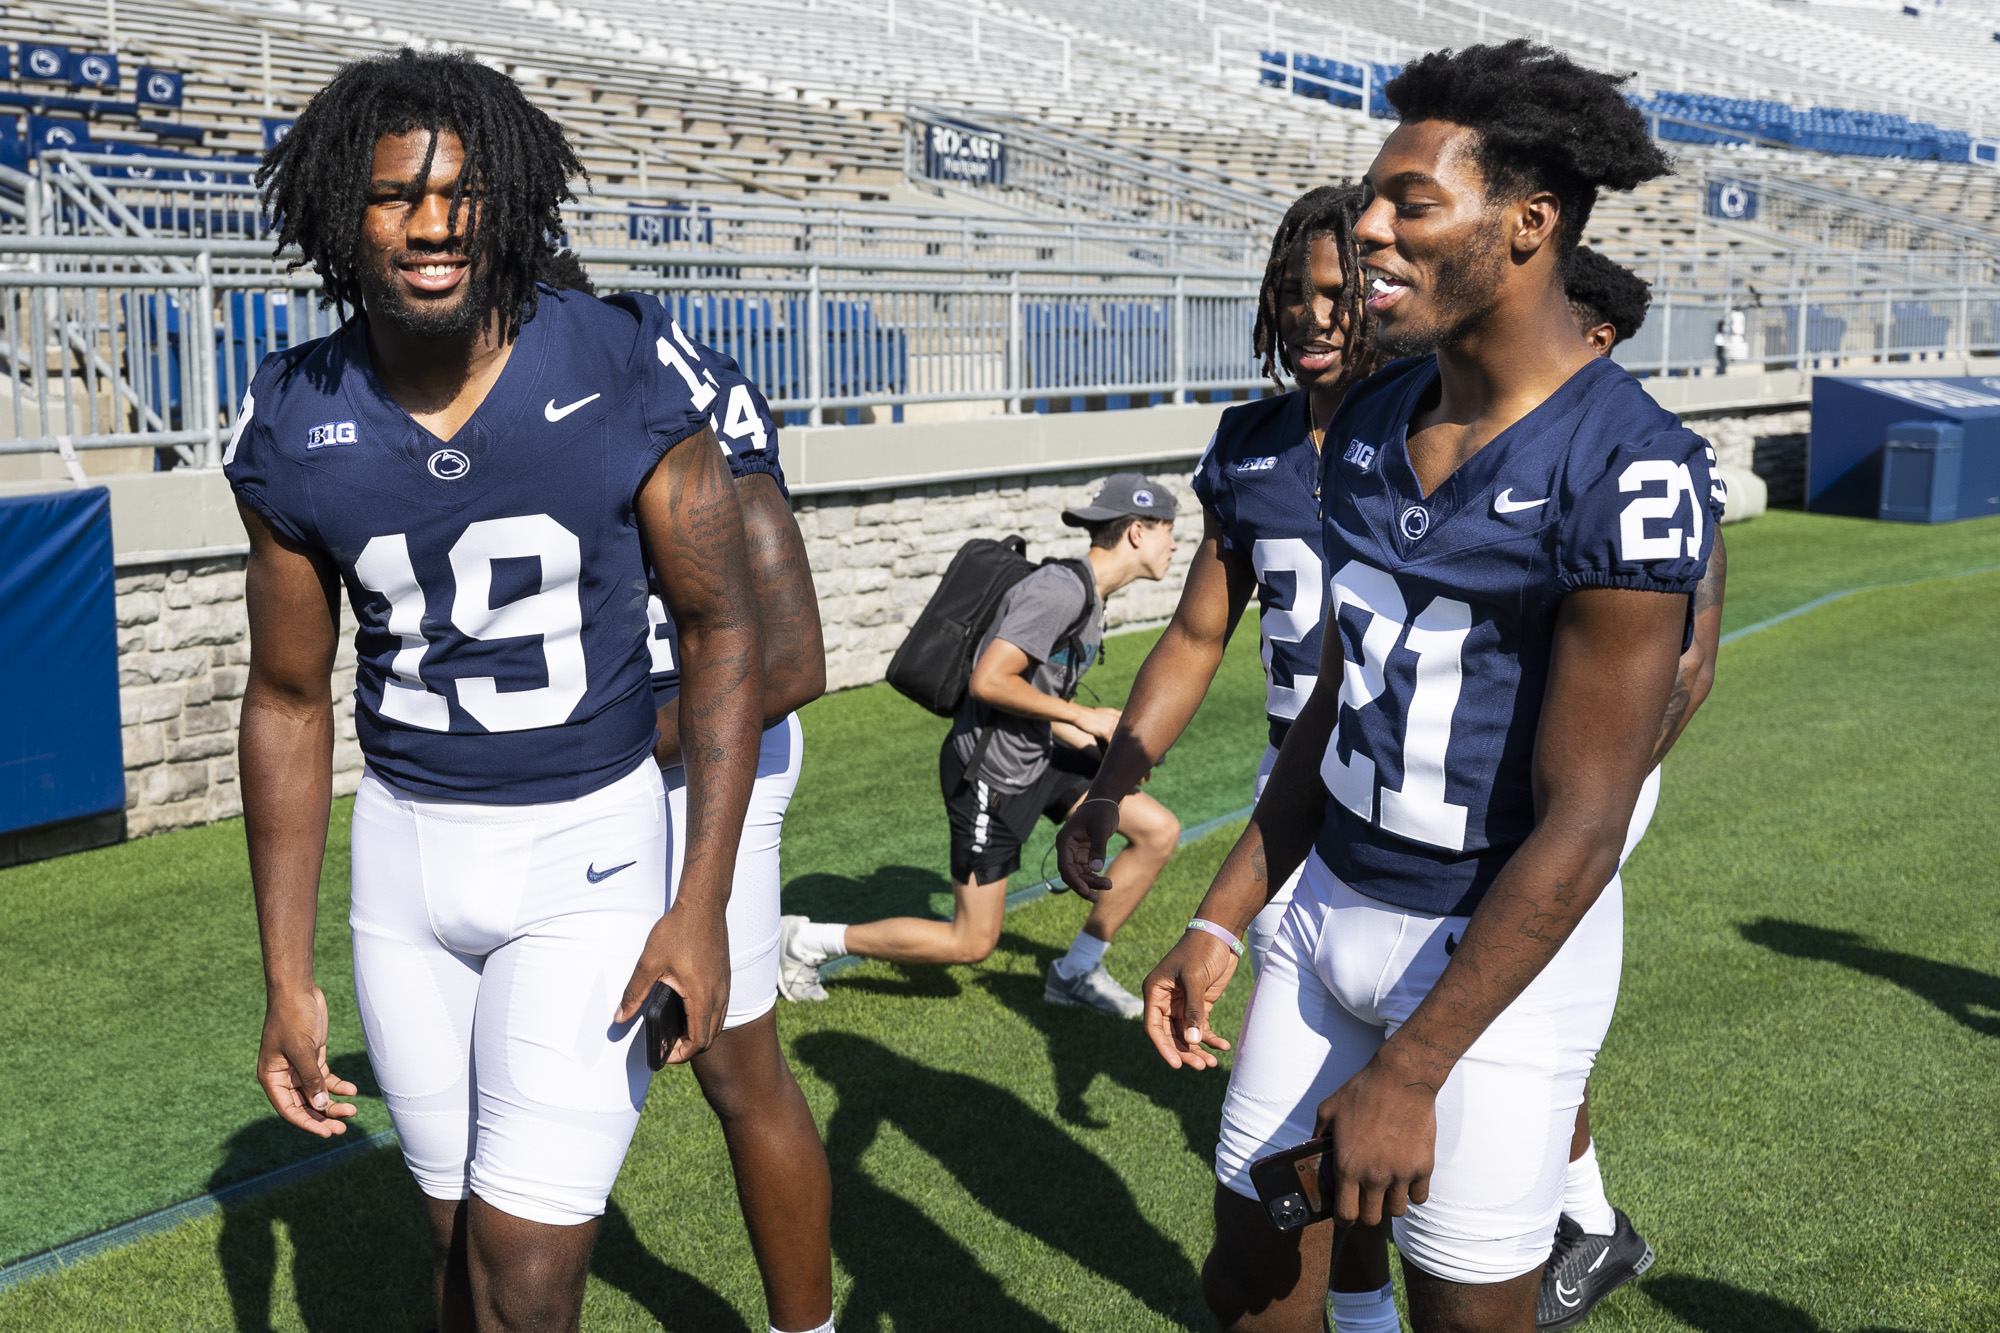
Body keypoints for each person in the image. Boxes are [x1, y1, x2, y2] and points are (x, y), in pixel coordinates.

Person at [1140, 41, 1719, 1333]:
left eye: (1412, 201)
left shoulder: (1627, 468)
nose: (1372, 230)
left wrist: (1416, 1060)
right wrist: (1227, 914)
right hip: (1330, 897)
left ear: (1528, 225)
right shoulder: (1379, 419)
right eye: (1371, 196)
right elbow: (1338, 711)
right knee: (1248, 1277)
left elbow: (1585, 821)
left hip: (1487, 949)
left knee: (1466, 1319)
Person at [228, 51, 762, 1333]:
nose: (431, 224)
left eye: (459, 192)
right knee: (457, 1244)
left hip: (584, 846)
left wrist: (704, 900)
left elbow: (724, 630)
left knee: (526, 1273)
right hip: (407, 862)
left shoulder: (618, 357)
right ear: (335, 216)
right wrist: (285, 974)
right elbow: (288, 698)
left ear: (508, 199)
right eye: (393, 196)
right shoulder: (299, 415)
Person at [1051, 184, 1401, 1333]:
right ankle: (1350, 1305)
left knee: (1418, 1109)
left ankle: (1563, 1211)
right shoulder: (1246, 445)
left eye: (1336, 295)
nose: (1310, 317)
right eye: (1291, 295)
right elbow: (1198, 634)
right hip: (1293, 807)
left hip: (1429, 817)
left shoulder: (1436, 422)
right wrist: (1112, 785)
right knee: (1269, 1200)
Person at [779, 474, 1183, 1017]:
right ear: (1136, 531)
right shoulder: (1059, 591)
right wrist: (1087, 715)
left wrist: (1099, 749)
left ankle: (1077, 970)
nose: (1175, 544)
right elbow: (990, 682)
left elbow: (1039, 697)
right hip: (990, 775)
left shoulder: (1090, 597)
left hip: (1037, 754)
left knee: (1156, 830)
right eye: (1168, 530)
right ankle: (805, 943)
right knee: (971, 942)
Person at [1533, 245, 1728, 1331]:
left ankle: (1589, 1226)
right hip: (1527, 779)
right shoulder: (1522, 429)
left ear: (1593, 331)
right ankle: (1574, 1215)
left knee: (1528, 1021)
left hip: (1582, 786)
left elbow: (1689, 664)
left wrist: (1590, 801)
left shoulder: (1651, 453)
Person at [641, 328, 837, 1333]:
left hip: (710, 745)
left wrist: (607, 742)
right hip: (612, 750)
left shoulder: (656, 369)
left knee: (734, 1061)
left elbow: (792, 662)